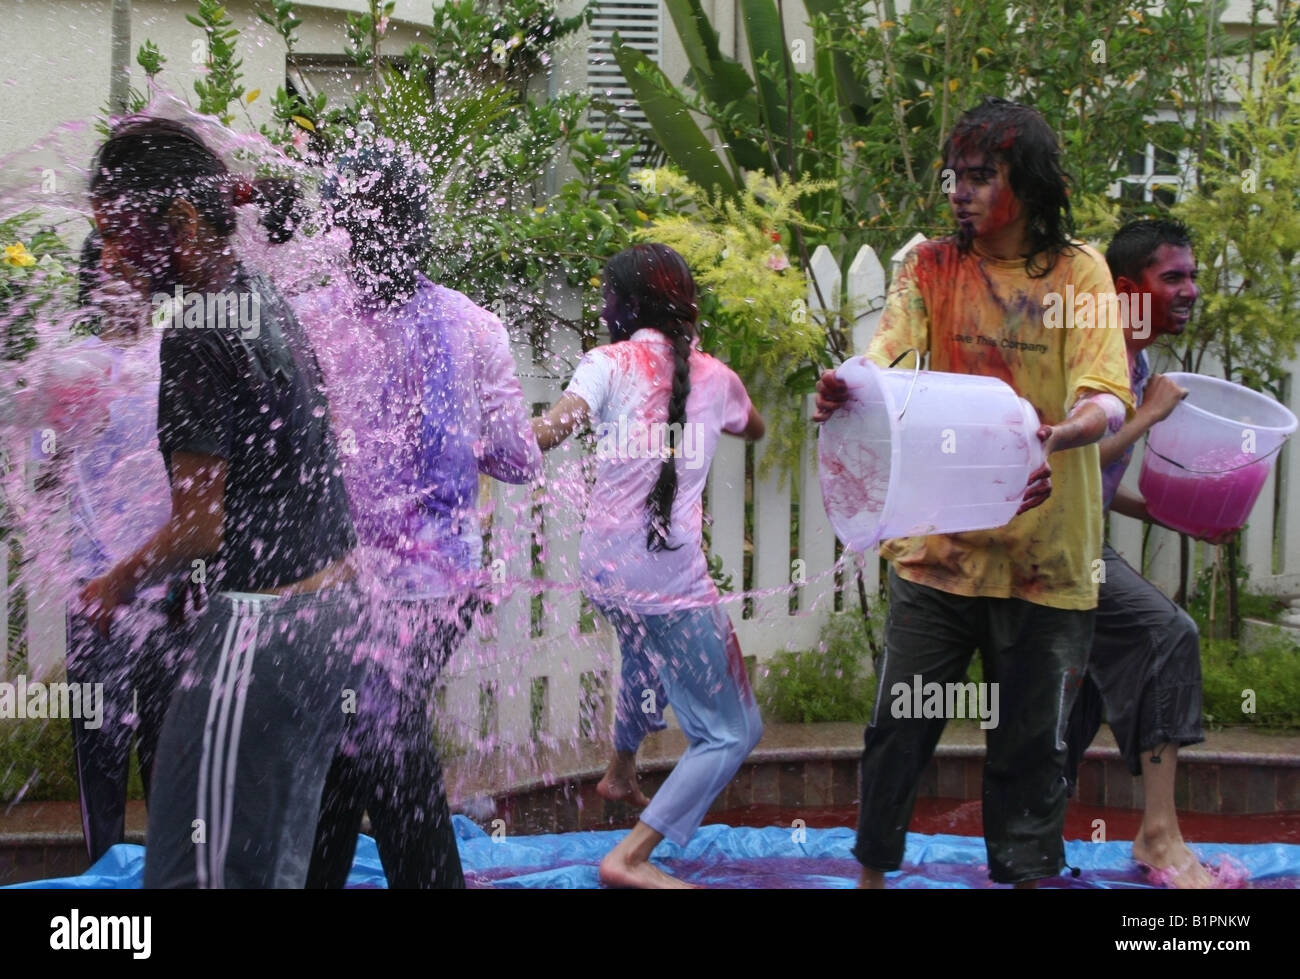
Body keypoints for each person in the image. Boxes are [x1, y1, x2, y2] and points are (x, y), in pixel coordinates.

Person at [816, 97, 1135, 888]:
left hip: (1045, 554)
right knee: (899, 726)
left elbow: (1109, 393)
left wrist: (1067, 432)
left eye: (981, 175)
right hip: (938, 548)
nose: (960, 190)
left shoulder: (1078, 272)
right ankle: (871, 876)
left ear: (1025, 182)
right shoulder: (930, 265)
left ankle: (1026, 877)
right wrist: (846, 390)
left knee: (1031, 744)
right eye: (954, 174)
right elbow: (887, 355)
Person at [79, 117, 363, 888]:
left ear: (178, 221)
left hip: (259, 629)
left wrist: (115, 583)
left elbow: (200, 527)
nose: (108, 259)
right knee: (272, 862)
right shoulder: (258, 293)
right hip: (330, 614)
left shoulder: (195, 336)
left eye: (116, 233)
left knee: (192, 871)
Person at [296, 143, 542, 889]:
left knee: (376, 732)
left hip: (358, 583)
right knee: (357, 738)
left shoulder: (310, 322)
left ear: (343, 225)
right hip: (429, 581)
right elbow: (518, 458)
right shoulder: (474, 326)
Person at [532, 243, 766, 888]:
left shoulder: (606, 362)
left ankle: (620, 770)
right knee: (733, 731)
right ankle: (630, 859)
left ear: (623, 306)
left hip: (605, 572)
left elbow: (553, 429)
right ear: (684, 305)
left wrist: (480, 443)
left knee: (644, 655)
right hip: (668, 577)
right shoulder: (717, 378)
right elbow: (757, 428)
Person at [1063, 218, 1222, 887]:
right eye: (1174, 277)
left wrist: (1176, 513)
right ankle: (1158, 835)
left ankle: (1030, 841)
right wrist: (1150, 415)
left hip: (1080, 541)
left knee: (1082, 699)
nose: (1190, 290)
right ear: (1129, 288)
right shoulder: (1093, 354)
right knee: (1165, 632)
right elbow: (1063, 461)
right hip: (1050, 547)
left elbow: (1102, 480)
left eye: (1192, 275)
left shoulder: (1138, 361)